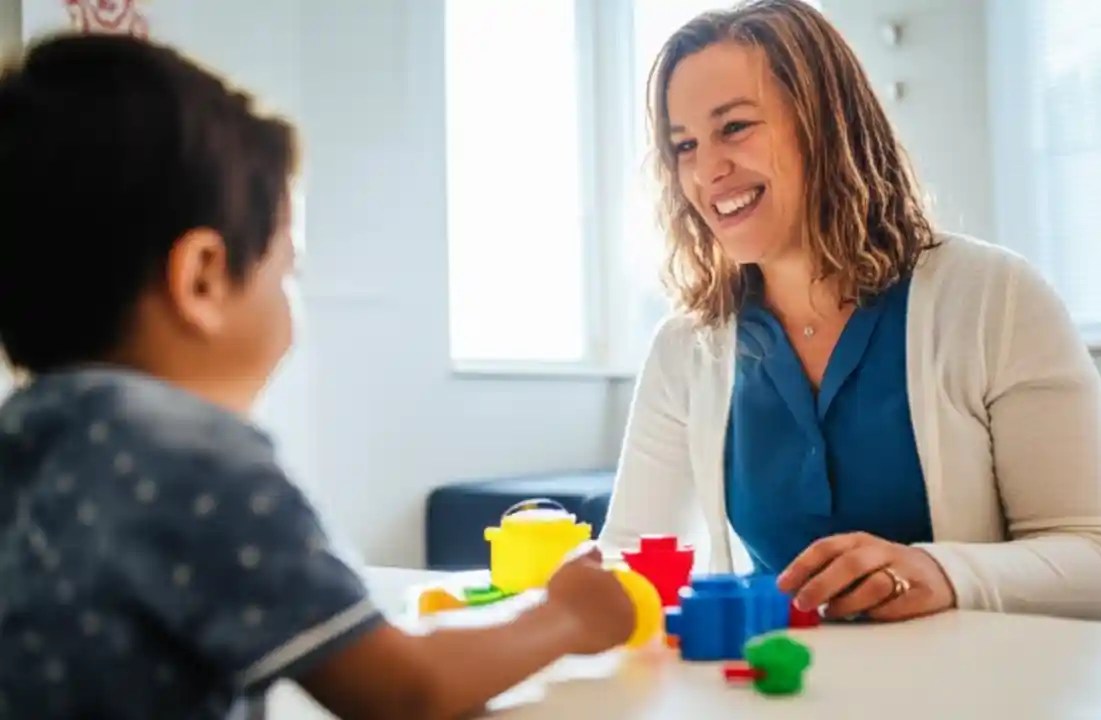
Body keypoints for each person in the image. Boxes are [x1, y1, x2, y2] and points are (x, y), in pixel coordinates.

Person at [0, 34, 634, 719]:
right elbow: (406, 691)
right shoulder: (196, 460)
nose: (293, 299)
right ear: (203, 279)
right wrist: (568, 615)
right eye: (288, 270)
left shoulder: (26, 441)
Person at [598, 0, 1101, 624]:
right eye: (684, 145)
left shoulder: (997, 297)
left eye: (736, 127)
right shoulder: (685, 348)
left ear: (825, 124)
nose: (707, 170)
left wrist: (942, 573)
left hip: (975, 677)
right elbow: (625, 560)